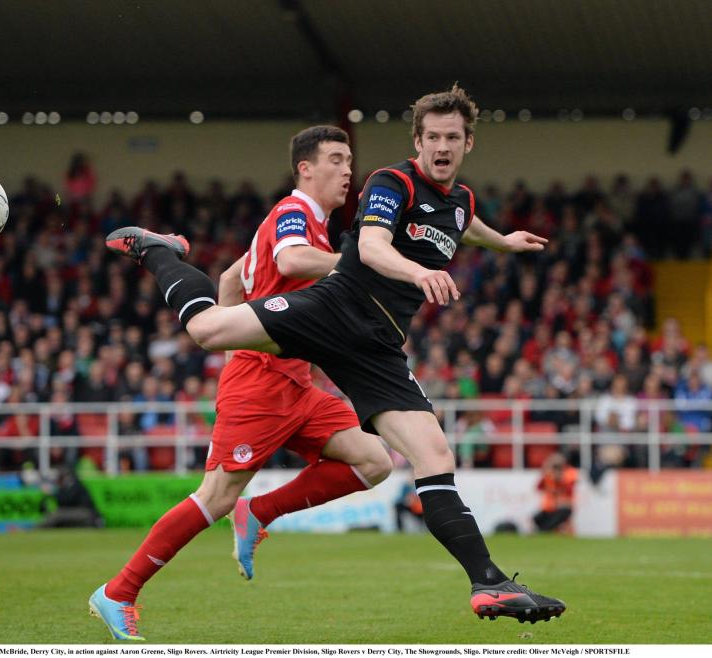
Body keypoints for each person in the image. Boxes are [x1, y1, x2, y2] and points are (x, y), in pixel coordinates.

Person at [105, 84, 565, 626]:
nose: (443, 146)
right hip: (337, 309)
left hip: (376, 345)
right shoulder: (391, 183)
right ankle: (158, 250)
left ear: (468, 143)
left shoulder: (460, 202)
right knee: (207, 331)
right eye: (433, 137)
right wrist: (419, 272)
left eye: (453, 137)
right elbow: (368, 247)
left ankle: (488, 584)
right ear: (417, 141)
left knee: (426, 458)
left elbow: (464, 227)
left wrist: (504, 241)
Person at [90, 126, 392, 641]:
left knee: (374, 461)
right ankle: (118, 591)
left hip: (294, 382)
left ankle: (260, 511)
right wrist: (362, 264)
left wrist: (235, 343)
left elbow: (232, 279)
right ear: (306, 169)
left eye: (349, 161)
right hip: (262, 385)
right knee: (214, 498)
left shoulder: (312, 226)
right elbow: (291, 261)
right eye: (337, 160)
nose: (348, 171)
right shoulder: (294, 214)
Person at [533, 453, 577, 533]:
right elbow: (539, 487)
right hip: (550, 507)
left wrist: (560, 480)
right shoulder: (549, 475)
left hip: (563, 506)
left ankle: (544, 531)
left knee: (561, 514)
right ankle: (544, 530)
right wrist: (546, 472)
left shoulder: (569, 473)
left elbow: (569, 490)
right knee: (536, 518)